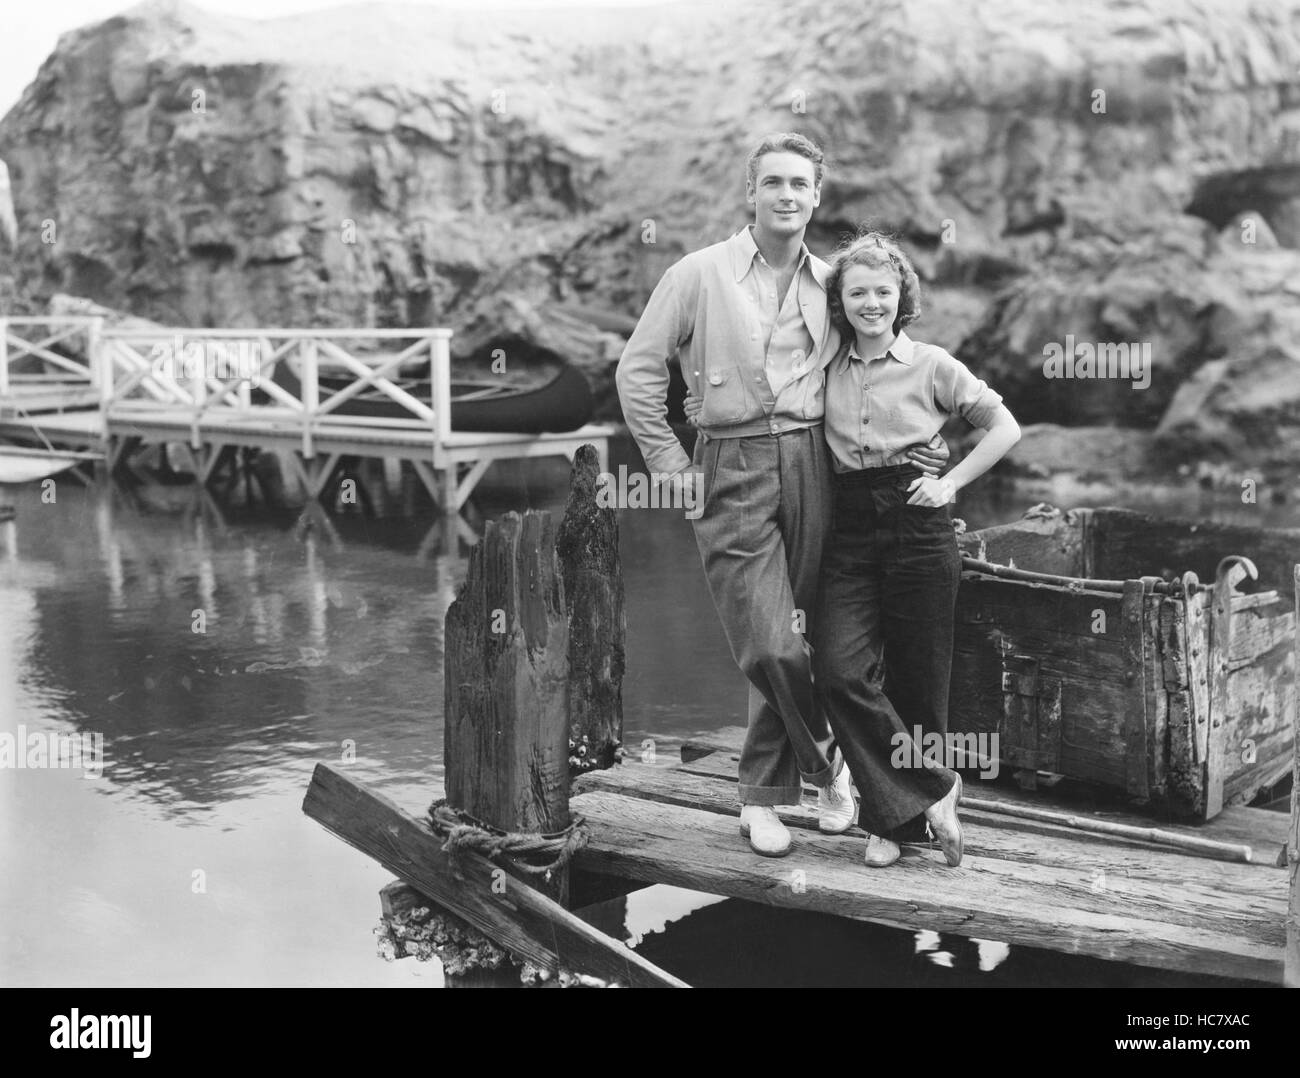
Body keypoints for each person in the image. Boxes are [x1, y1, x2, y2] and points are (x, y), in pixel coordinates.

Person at [616, 133, 945, 857]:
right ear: (752, 192)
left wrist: (917, 440)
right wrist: (671, 468)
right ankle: (827, 765)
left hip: (813, 463)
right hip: (728, 464)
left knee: (802, 635)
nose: (787, 195)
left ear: (817, 196)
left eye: (800, 183)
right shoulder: (698, 274)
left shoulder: (832, 284)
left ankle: (761, 799)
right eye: (773, 183)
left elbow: (869, 372)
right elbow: (639, 370)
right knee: (769, 643)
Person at [813, 230, 1021, 867]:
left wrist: (950, 480)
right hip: (848, 523)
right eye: (857, 292)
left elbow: (1003, 426)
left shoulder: (932, 363)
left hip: (918, 522)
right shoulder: (822, 366)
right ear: (840, 301)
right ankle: (936, 788)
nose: (871, 303)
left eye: (883, 290)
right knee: (840, 669)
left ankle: (892, 825)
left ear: (902, 295)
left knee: (919, 683)